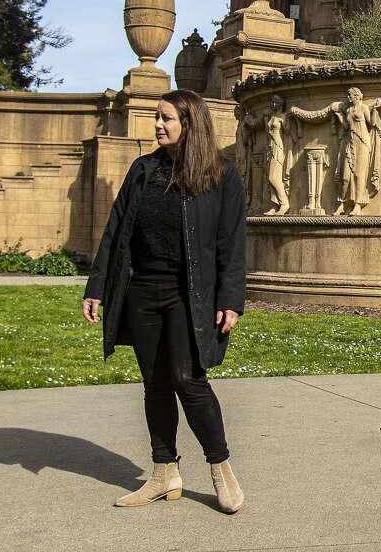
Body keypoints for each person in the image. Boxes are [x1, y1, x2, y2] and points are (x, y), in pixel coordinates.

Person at [82, 89, 247, 513]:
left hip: (188, 295)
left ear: (190, 124)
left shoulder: (221, 176)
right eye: (157, 118)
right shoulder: (142, 170)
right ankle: (163, 473)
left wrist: (230, 298)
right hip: (142, 291)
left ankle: (221, 468)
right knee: (154, 382)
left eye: (166, 119)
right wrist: (97, 285)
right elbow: (116, 231)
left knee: (188, 380)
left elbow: (231, 243)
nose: (158, 125)